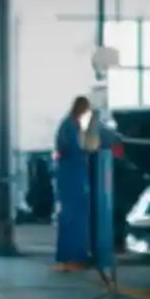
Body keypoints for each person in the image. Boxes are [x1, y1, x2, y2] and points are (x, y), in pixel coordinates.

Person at [53, 95, 93, 272]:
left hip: (73, 177)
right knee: (73, 218)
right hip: (71, 178)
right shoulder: (69, 127)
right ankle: (72, 257)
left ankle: (71, 257)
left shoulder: (71, 125)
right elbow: (69, 149)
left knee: (73, 218)